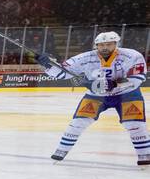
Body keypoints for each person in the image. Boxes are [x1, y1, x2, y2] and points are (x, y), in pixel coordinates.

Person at [39, 31, 148, 165]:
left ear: (116, 44)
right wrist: (48, 65)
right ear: (96, 45)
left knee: (135, 125)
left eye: (108, 44)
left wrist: (113, 83)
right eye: (101, 45)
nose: (104, 47)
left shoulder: (132, 55)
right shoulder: (84, 58)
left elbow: (138, 77)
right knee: (77, 123)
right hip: (96, 95)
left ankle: (145, 155)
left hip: (128, 94)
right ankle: (61, 150)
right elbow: (62, 73)